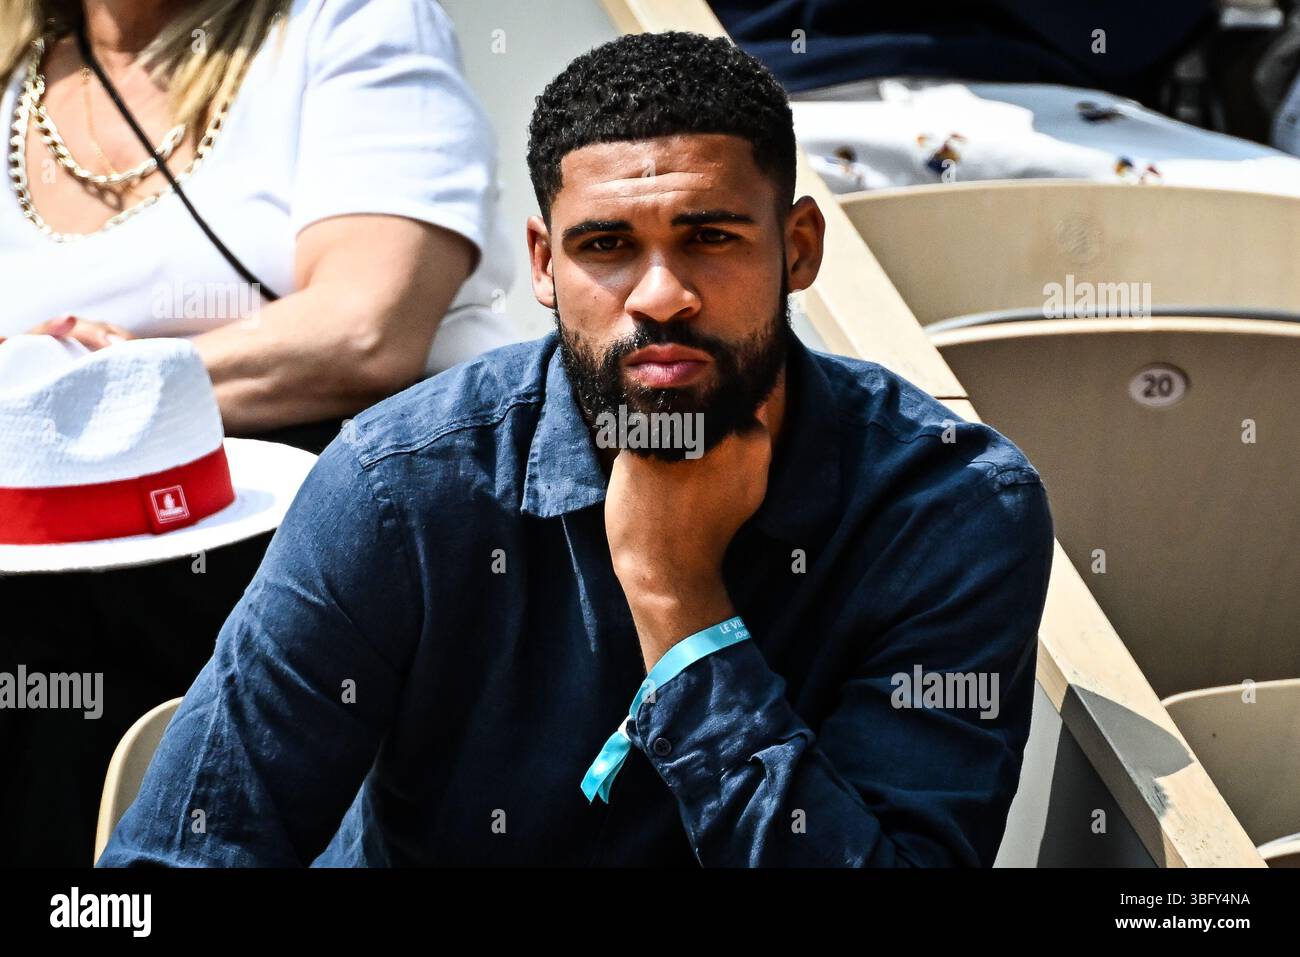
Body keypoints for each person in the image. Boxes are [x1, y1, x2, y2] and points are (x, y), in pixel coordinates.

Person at [100, 31, 1054, 868]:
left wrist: (679, 604)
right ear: (545, 265)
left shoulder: (949, 504)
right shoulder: (401, 485)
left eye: (711, 237)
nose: (659, 295)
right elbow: (179, 856)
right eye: (605, 246)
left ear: (798, 246)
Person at [0, 0, 515, 451]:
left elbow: (367, 333)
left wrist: (107, 386)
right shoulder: (12, 79)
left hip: (323, 518)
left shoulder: (350, 20)